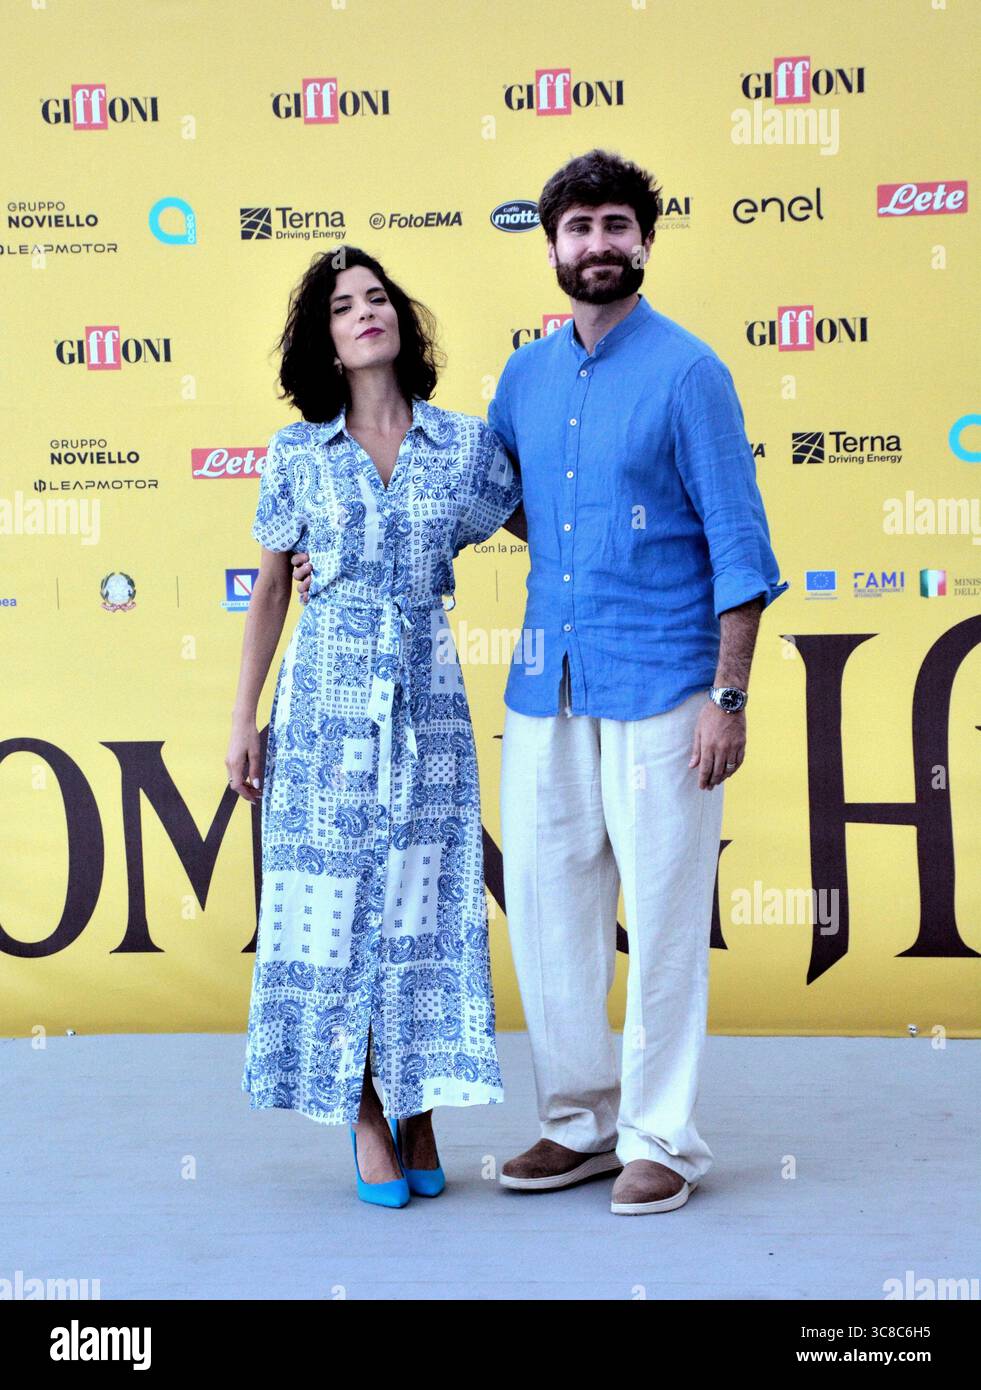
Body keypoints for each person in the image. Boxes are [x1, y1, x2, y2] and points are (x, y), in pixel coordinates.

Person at [291, 149, 789, 1217]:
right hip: (544, 684)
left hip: (665, 684)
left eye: (617, 226)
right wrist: (330, 554)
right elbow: (486, 497)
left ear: (644, 241)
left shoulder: (691, 372)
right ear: (552, 246)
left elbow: (743, 547)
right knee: (553, 917)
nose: (598, 245)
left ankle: (662, 1137)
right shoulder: (525, 377)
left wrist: (729, 694)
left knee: (658, 919)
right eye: (579, 229)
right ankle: (579, 1123)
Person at [227, 246, 522, 1208]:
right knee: (330, 910)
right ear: (324, 338)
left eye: (378, 298)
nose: (366, 313)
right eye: (344, 306)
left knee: (425, 904)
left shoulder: (464, 447)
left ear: (401, 320)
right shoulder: (297, 454)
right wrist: (244, 723)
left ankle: (421, 1106)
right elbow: (272, 585)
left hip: (429, 705)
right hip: (322, 705)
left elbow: (550, 525)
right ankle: (362, 1113)